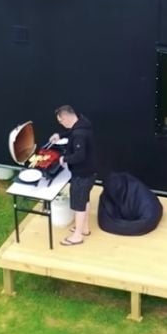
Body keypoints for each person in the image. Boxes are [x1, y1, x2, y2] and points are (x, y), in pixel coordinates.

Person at [49, 105, 96, 246]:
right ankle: (84, 228)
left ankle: (77, 237)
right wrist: (60, 135)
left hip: (82, 174)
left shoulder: (79, 134)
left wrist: (64, 159)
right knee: (85, 199)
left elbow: (79, 156)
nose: (61, 124)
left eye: (61, 121)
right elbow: (72, 132)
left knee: (78, 205)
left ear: (66, 117)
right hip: (91, 172)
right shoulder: (82, 123)